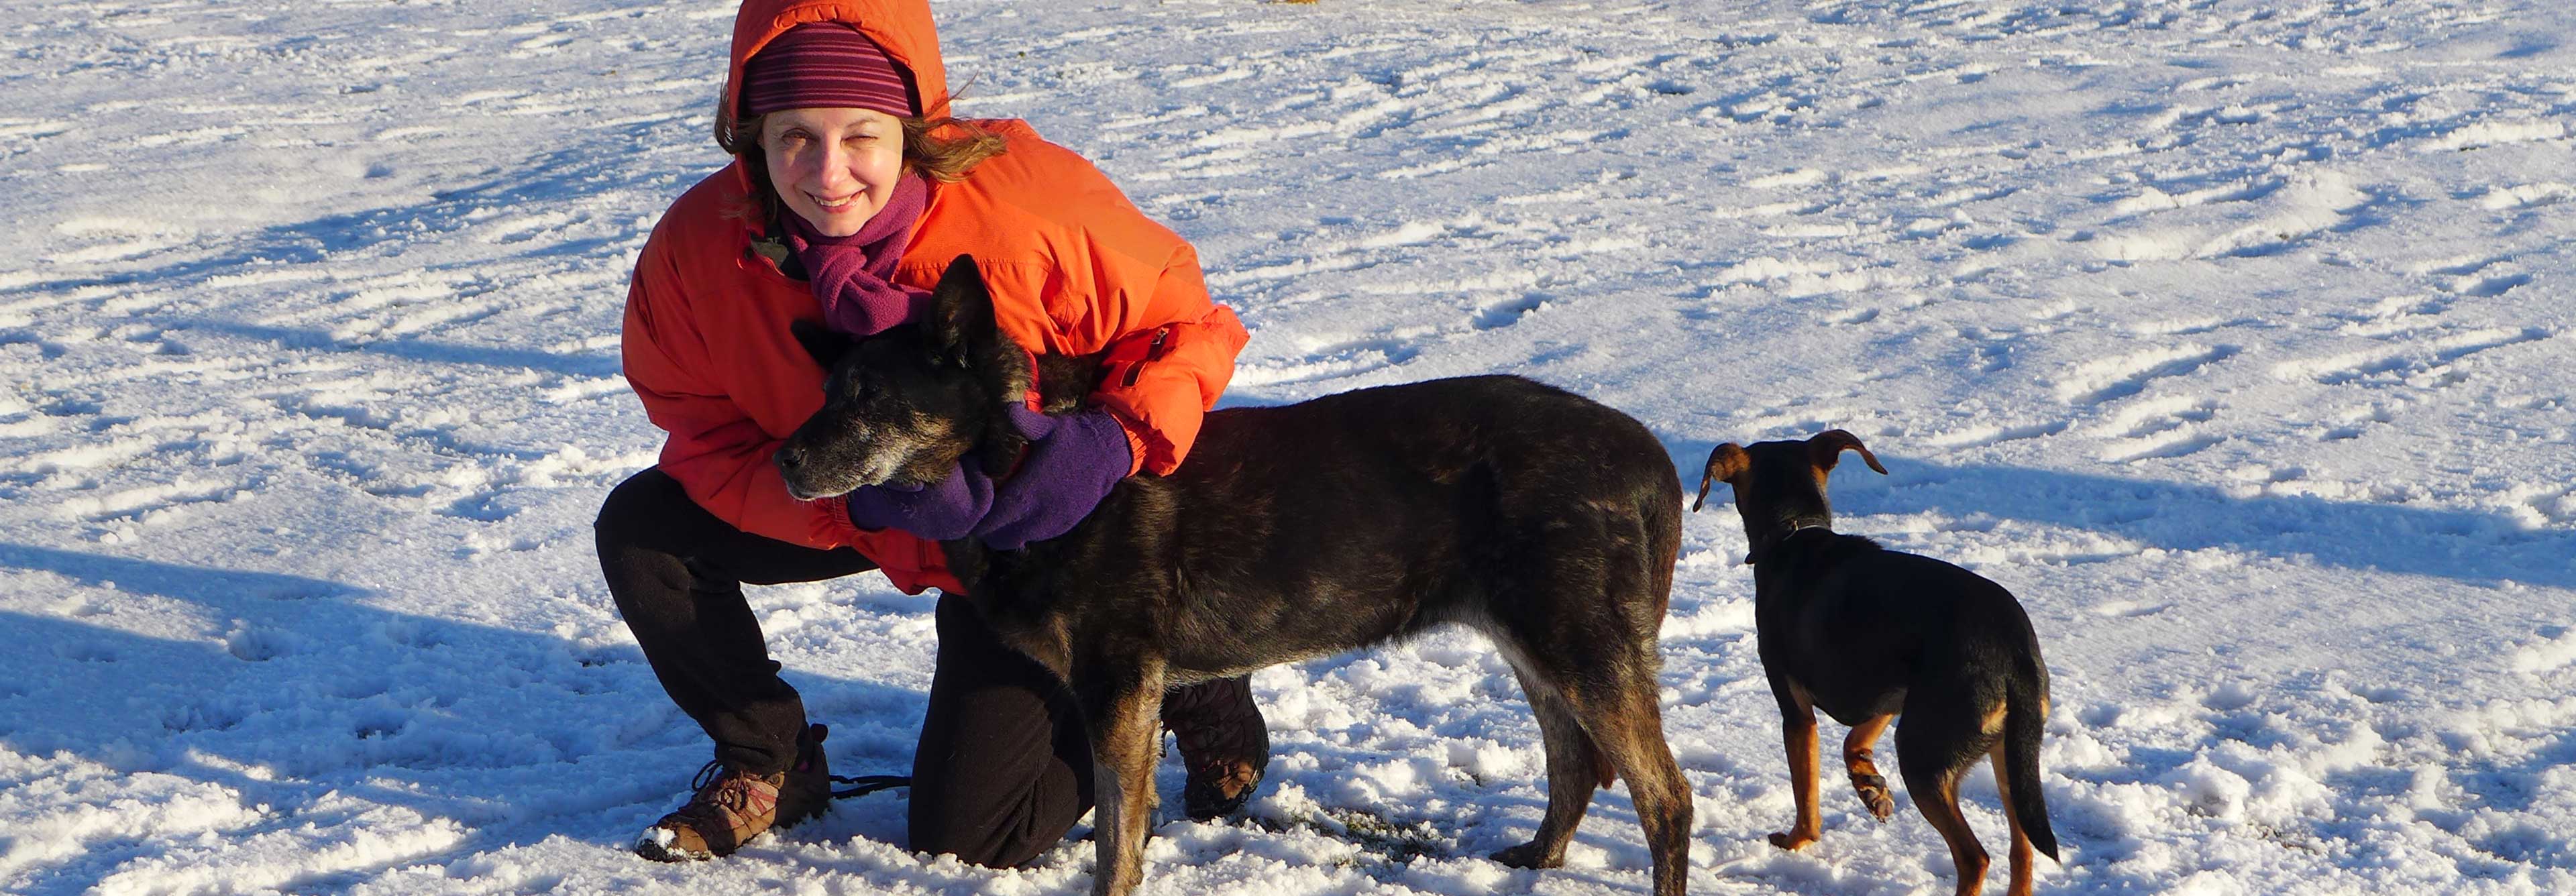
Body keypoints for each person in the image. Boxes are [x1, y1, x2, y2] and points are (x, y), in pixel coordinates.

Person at [596, 0, 1268, 866]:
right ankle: (770, 761)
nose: (829, 172)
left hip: (1037, 531)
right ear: (752, 137)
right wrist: (860, 510)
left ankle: (1171, 679)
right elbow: (703, 433)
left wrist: (1115, 441)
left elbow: (1187, 327)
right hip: (871, 507)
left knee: (973, 839)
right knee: (645, 529)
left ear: (910, 131)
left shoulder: (1030, 207)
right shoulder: (698, 252)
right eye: (795, 135)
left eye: (861, 135)